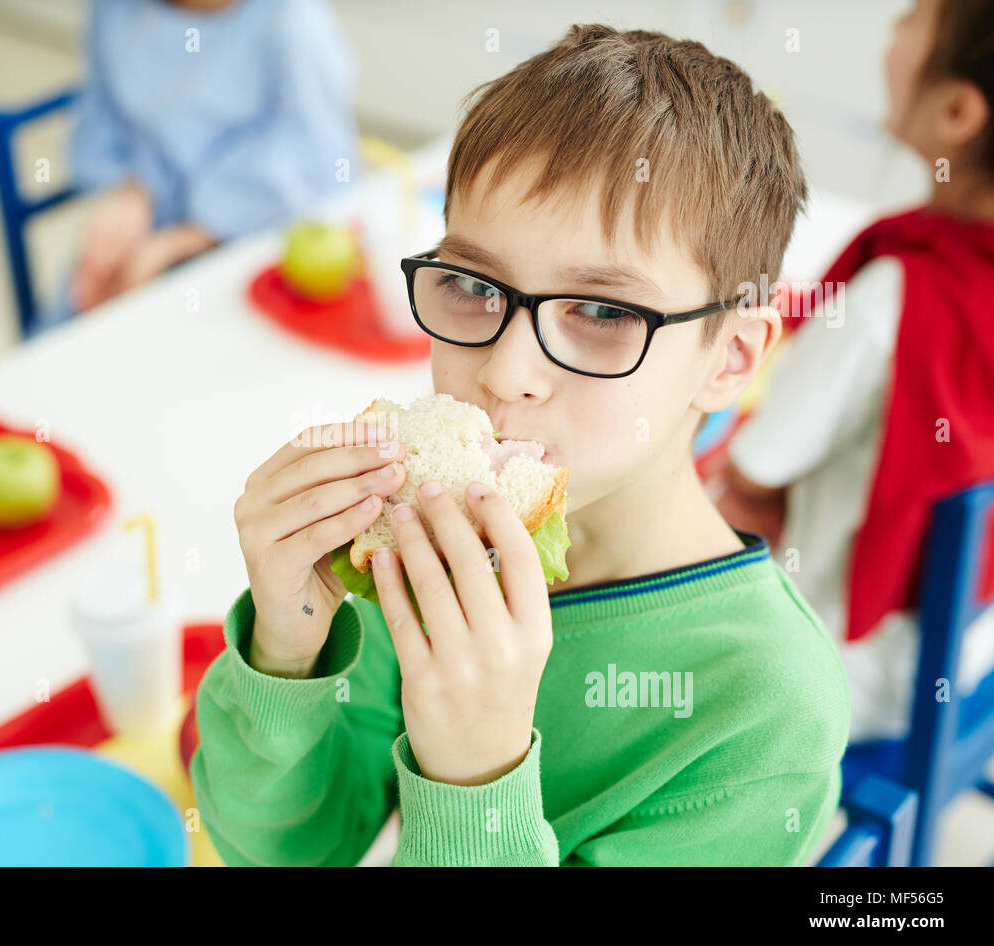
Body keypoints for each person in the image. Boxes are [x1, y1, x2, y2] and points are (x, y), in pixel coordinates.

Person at [190, 24, 849, 865]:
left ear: (728, 361)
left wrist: (477, 777)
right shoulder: (429, 551)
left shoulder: (765, 708)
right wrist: (287, 656)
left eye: (605, 313)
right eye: (473, 285)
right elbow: (296, 851)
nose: (504, 373)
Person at [716, 0, 994, 743]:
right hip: (968, 641)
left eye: (911, 20)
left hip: (850, 670)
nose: (892, 33)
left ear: (959, 110)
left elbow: (754, 464)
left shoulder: (894, 298)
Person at [48, 0, 357, 327]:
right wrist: (130, 190)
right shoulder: (114, 10)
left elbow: (311, 155)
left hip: (265, 242)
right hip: (145, 233)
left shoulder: (291, 20)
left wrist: (186, 239)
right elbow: (100, 118)